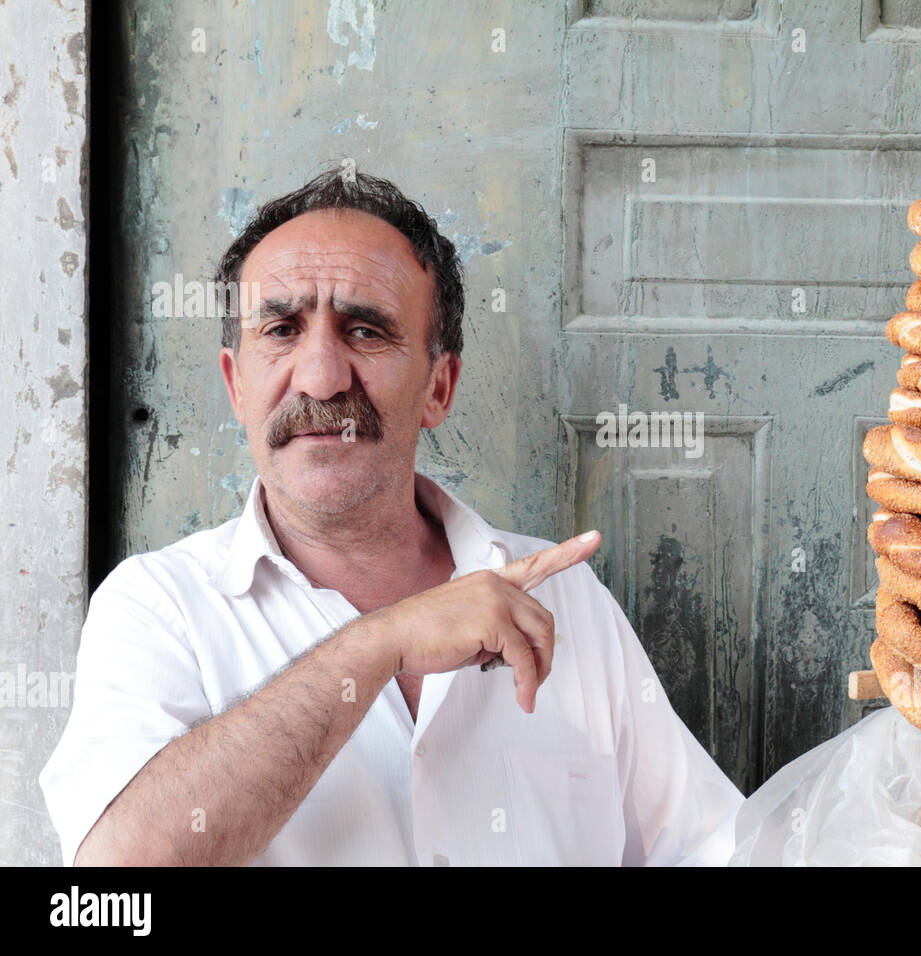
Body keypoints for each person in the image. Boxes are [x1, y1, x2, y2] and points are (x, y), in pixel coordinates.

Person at [39, 168, 744, 866]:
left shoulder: (567, 601)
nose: (321, 377)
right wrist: (382, 643)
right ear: (236, 384)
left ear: (439, 387)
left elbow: (714, 849)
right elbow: (115, 883)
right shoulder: (158, 610)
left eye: (367, 332)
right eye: (282, 329)